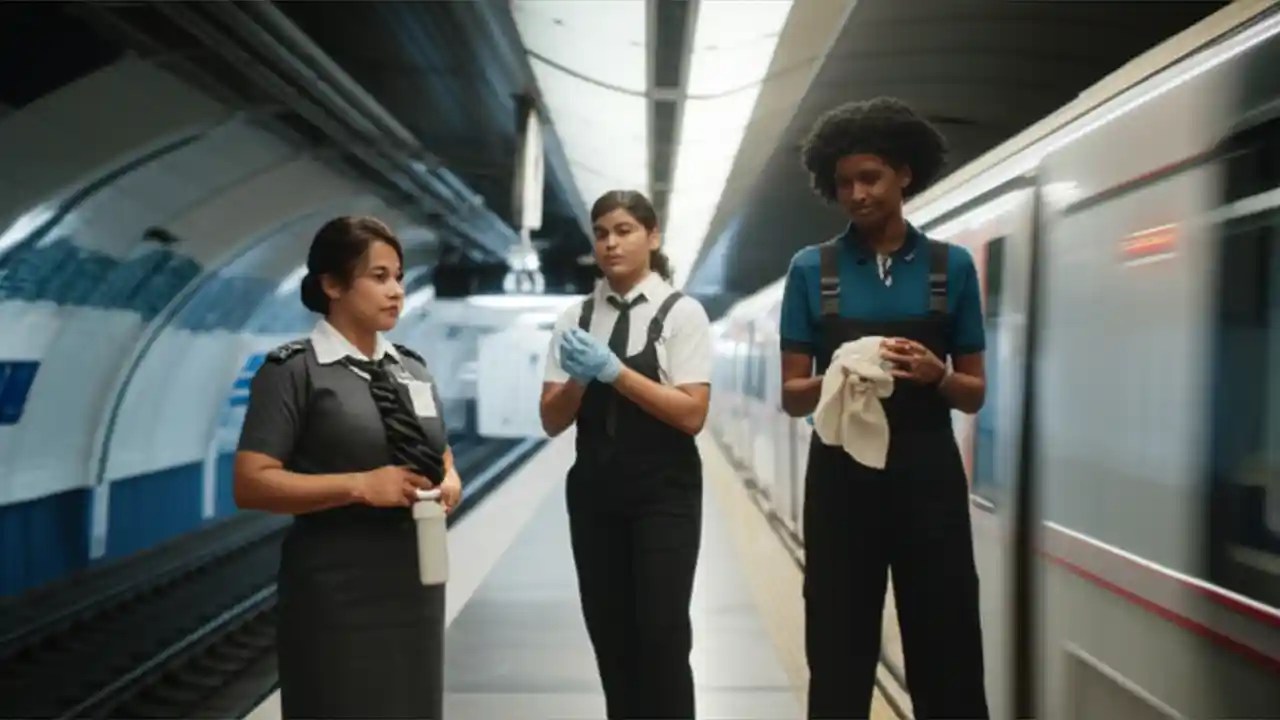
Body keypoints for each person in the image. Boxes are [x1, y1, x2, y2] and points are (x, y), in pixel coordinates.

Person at [780, 97, 991, 719]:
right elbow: (792, 396)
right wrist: (840, 374)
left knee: (946, 639)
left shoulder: (950, 267)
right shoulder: (809, 270)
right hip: (840, 480)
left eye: (869, 178)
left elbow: (974, 393)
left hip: (928, 477)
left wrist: (935, 373)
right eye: (843, 183)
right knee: (838, 644)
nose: (856, 194)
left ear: (904, 173)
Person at [233, 216, 462, 719]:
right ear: (332, 285)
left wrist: (448, 477)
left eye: (399, 277)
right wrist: (360, 486)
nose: (397, 291)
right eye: (378, 277)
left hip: (416, 581)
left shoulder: (412, 368)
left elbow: (438, 451)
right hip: (337, 587)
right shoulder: (293, 371)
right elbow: (251, 483)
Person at [539, 190, 713, 719]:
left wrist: (615, 372)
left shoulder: (683, 314)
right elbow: (551, 419)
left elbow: (690, 414)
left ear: (652, 237)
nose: (610, 243)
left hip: (664, 490)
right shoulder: (574, 316)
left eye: (624, 230)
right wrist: (578, 377)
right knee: (611, 636)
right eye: (601, 233)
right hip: (595, 490)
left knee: (661, 635)